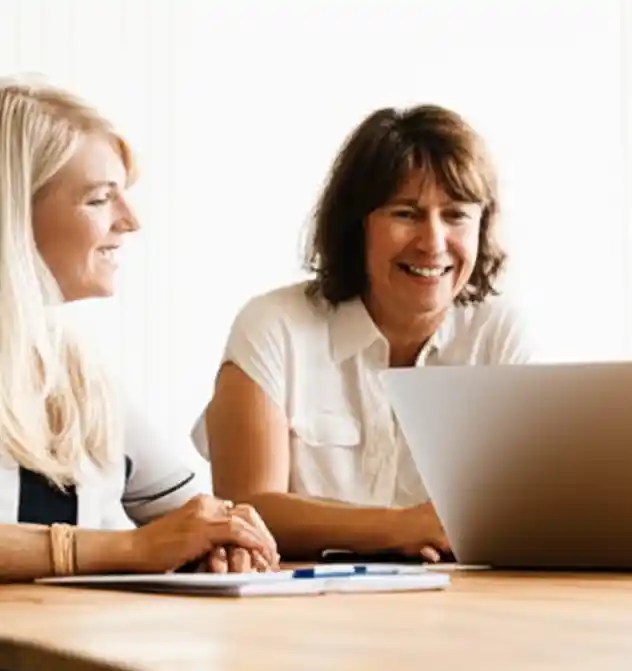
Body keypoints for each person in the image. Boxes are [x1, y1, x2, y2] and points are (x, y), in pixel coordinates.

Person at [194, 104, 532, 561]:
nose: (433, 243)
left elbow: (522, 514)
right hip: (299, 616)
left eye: (455, 216)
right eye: (406, 214)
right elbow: (248, 511)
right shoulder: (273, 325)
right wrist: (400, 527)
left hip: (460, 610)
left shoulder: (498, 331)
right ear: (358, 227)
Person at [0, 77, 278, 582]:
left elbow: (190, 513)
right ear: (13, 213)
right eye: (99, 199)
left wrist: (222, 538)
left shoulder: (78, 370)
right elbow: (147, 542)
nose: (130, 221)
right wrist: (131, 546)